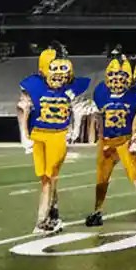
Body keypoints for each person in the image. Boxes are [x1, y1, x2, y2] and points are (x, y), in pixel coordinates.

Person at [17, 46, 90, 235]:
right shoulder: (33, 84)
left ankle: (42, 220)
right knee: (45, 178)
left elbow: (76, 106)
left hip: (57, 134)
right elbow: (21, 107)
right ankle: (53, 214)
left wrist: (74, 129)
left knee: (49, 179)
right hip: (38, 134)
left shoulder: (68, 85)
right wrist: (24, 135)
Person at [86, 54, 136, 226]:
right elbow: (99, 116)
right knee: (101, 179)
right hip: (107, 140)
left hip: (126, 139)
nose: (117, 81)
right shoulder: (100, 92)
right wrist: (99, 137)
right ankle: (97, 211)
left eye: (121, 78)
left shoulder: (135, 94)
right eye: (113, 77)